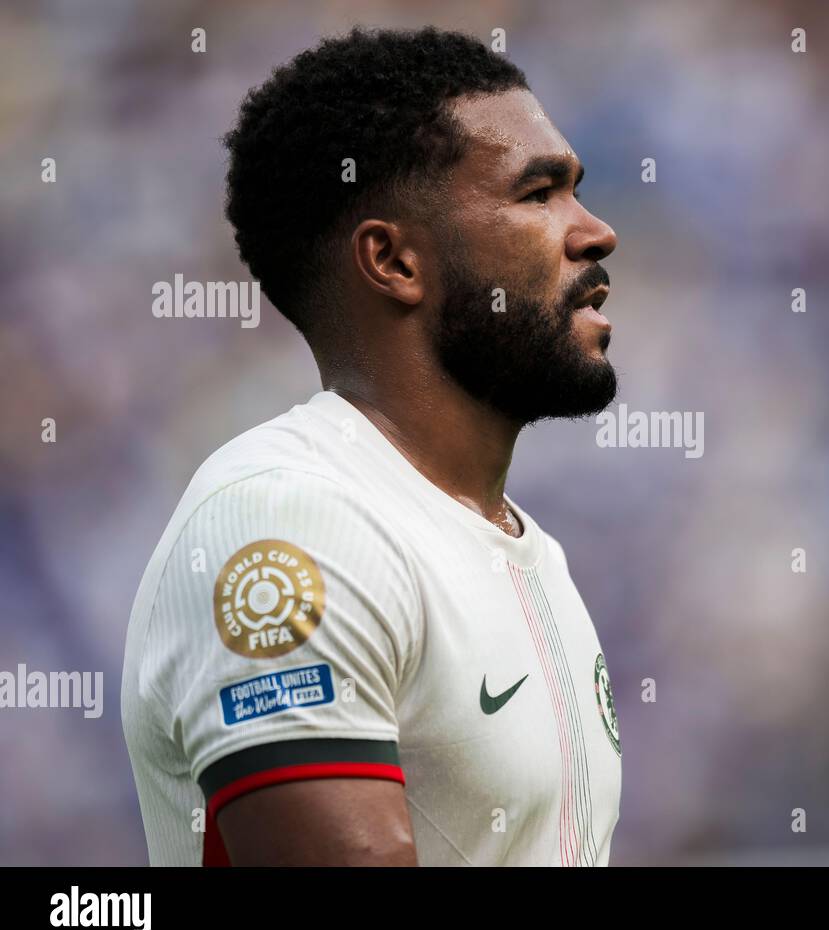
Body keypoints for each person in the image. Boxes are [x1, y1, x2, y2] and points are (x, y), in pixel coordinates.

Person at [122, 26, 622, 866]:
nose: (595, 231)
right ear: (393, 261)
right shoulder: (291, 522)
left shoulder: (525, 552)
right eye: (539, 194)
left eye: (576, 190)